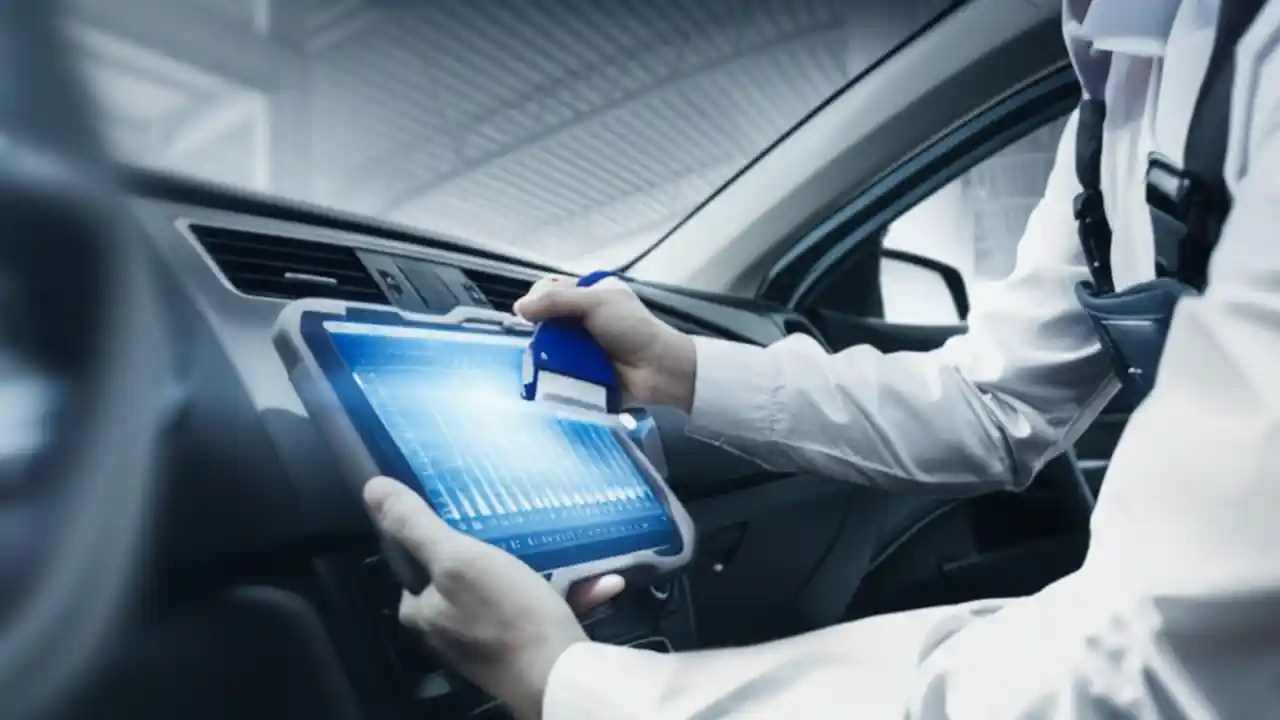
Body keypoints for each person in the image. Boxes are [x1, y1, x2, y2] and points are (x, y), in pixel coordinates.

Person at [361, 0, 1280, 716]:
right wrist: (677, 366)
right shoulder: (1123, 77)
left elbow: (1151, 682)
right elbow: (993, 401)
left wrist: (566, 683)